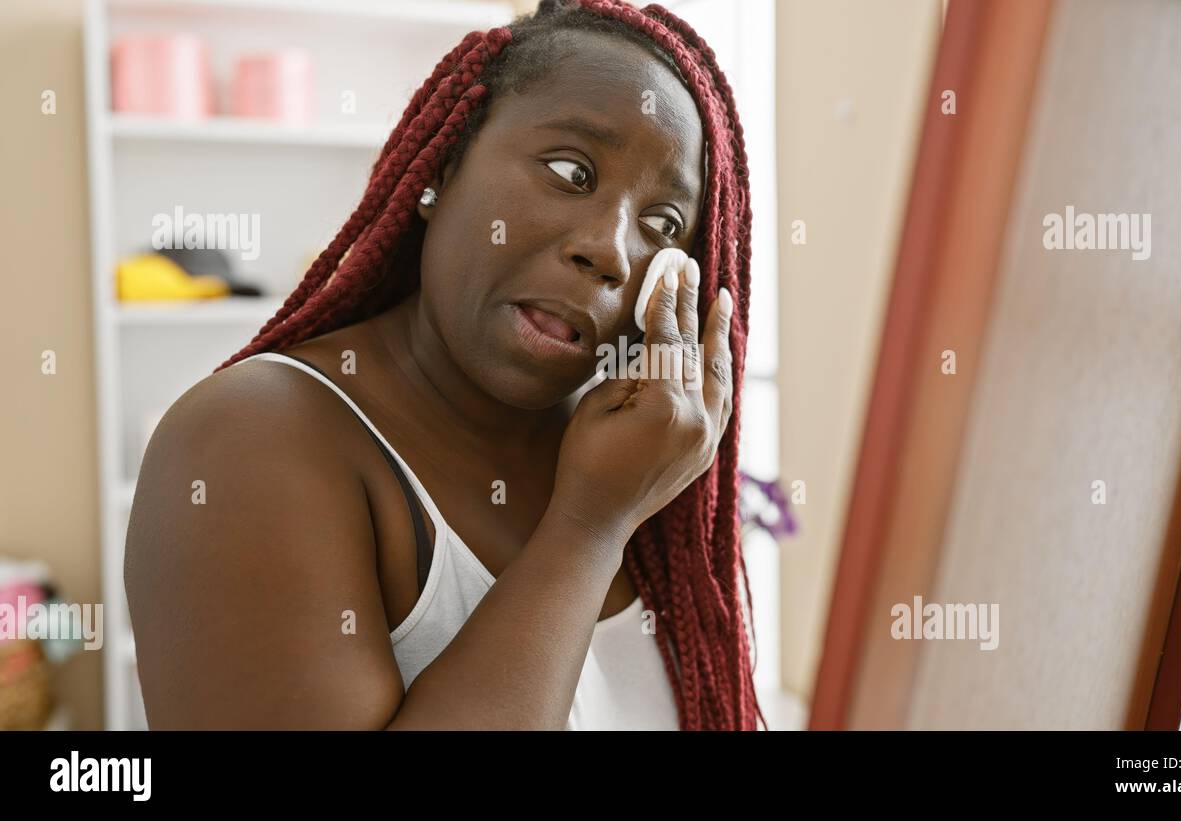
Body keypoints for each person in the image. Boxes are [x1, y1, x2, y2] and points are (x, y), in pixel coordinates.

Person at [125, 0, 761, 730]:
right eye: (570, 170)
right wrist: (589, 525)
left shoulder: (642, 456)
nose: (613, 250)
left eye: (661, 223)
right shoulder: (245, 439)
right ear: (445, 164)